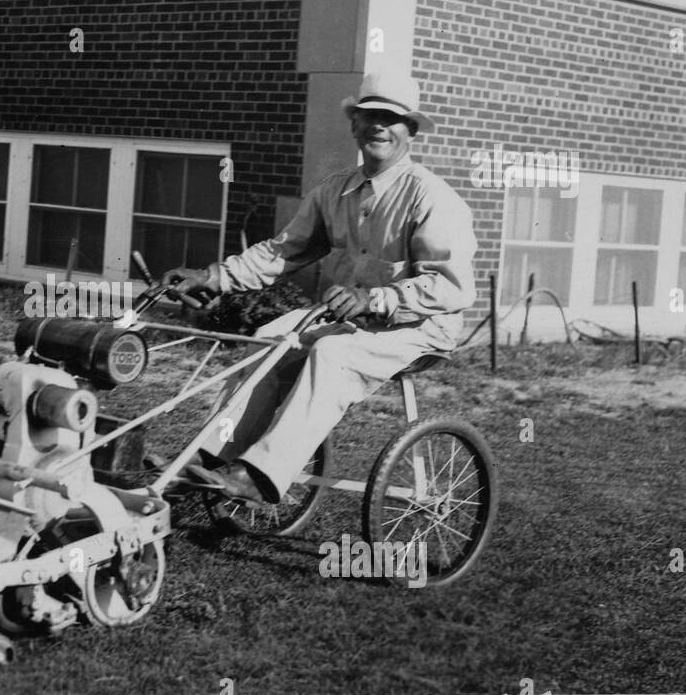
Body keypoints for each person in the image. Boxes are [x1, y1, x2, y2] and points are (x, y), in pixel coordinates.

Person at [161, 71, 479, 504]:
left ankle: (262, 475)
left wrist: (376, 297)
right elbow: (282, 252)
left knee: (330, 354)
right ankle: (214, 457)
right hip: (350, 320)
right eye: (369, 115)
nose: (378, 126)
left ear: (412, 130)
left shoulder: (431, 197)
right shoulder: (336, 190)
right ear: (354, 124)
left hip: (420, 328)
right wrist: (213, 277)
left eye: (391, 117)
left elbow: (451, 287)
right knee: (270, 338)